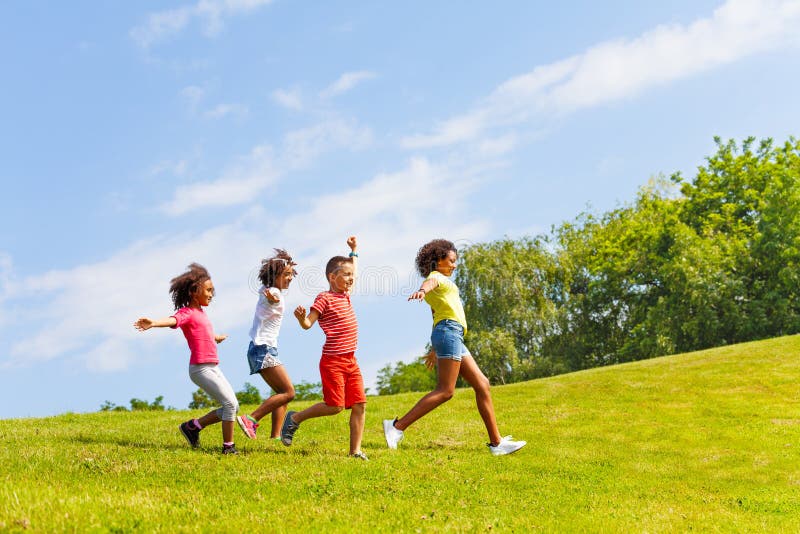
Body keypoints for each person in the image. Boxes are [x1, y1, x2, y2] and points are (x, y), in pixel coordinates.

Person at [382, 239, 526, 456]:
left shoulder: (443, 283)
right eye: (451, 261)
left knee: (482, 384)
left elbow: (435, 315)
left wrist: (434, 349)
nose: (454, 265)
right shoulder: (435, 277)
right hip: (449, 332)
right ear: (438, 261)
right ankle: (396, 427)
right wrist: (421, 292)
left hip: (450, 334)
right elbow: (428, 285)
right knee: (445, 391)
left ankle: (496, 443)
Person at [134, 263, 251, 455]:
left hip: (213, 367)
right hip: (200, 369)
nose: (212, 294)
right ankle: (228, 448)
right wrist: (154, 323)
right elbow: (173, 320)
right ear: (194, 291)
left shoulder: (201, 314)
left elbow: (203, 332)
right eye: (209, 290)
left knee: (233, 406)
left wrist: (216, 338)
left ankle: (193, 427)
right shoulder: (187, 313)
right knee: (229, 405)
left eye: (213, 290)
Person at [281, 236, 368, 460]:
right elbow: (309, 323)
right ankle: (295, 418)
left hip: (351, 360)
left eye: (351, 276)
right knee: (335, 406)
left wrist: (354, 251)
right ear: (332, 277)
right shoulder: (325, 298)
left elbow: (354, 270)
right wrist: (301, 319)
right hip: (333, 361)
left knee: (359, 404)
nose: (351, 279)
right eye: (346, 275)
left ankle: (355, 451)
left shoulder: (346, 294)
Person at [237, 250, 298, 440]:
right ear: (275, 276)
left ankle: (275, 437)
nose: (290, 278)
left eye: (291, 274)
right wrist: (274, 297)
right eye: (286, 274)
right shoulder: (273, 292)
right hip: (263, 349)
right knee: (288, 392)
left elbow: (266, 291)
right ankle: (251, 419)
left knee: (282, 392)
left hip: (261, 349)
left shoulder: (265, 290)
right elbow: (272, 295)